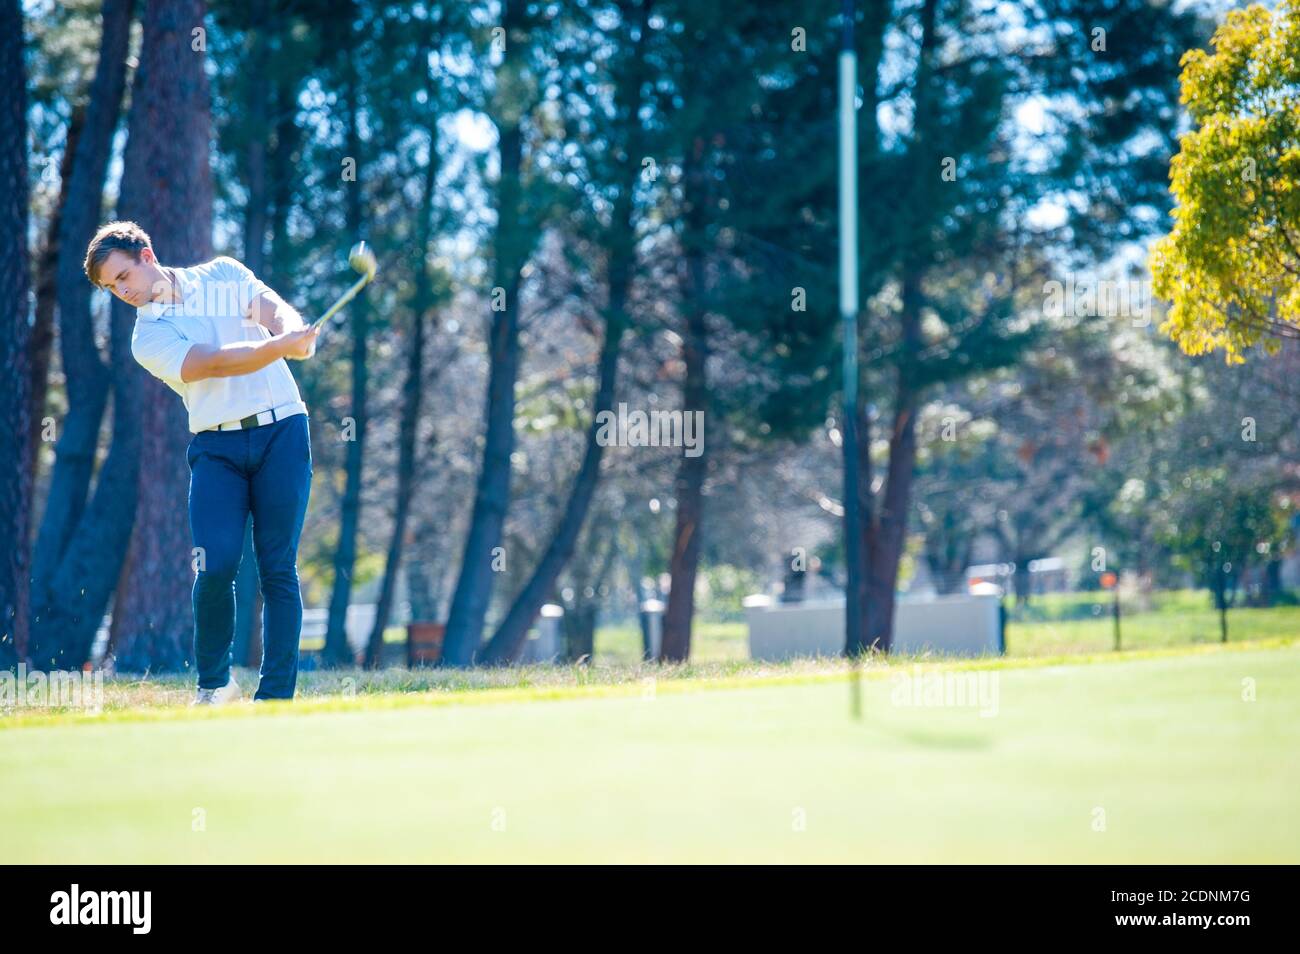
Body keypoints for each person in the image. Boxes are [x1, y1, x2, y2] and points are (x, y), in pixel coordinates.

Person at [83, 221, 321, 705]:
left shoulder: (222, 274)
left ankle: (275, 696)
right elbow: (212, 362)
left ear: (147, 255)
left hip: (283, 432)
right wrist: (279, 347)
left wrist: (292, 330)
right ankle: (215, 686)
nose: (123, 291)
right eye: (112, 287)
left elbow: (269, 307)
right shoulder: (146, 338)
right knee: (215, 563)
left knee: (277, 567)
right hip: (217, 449)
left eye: (124, 276)